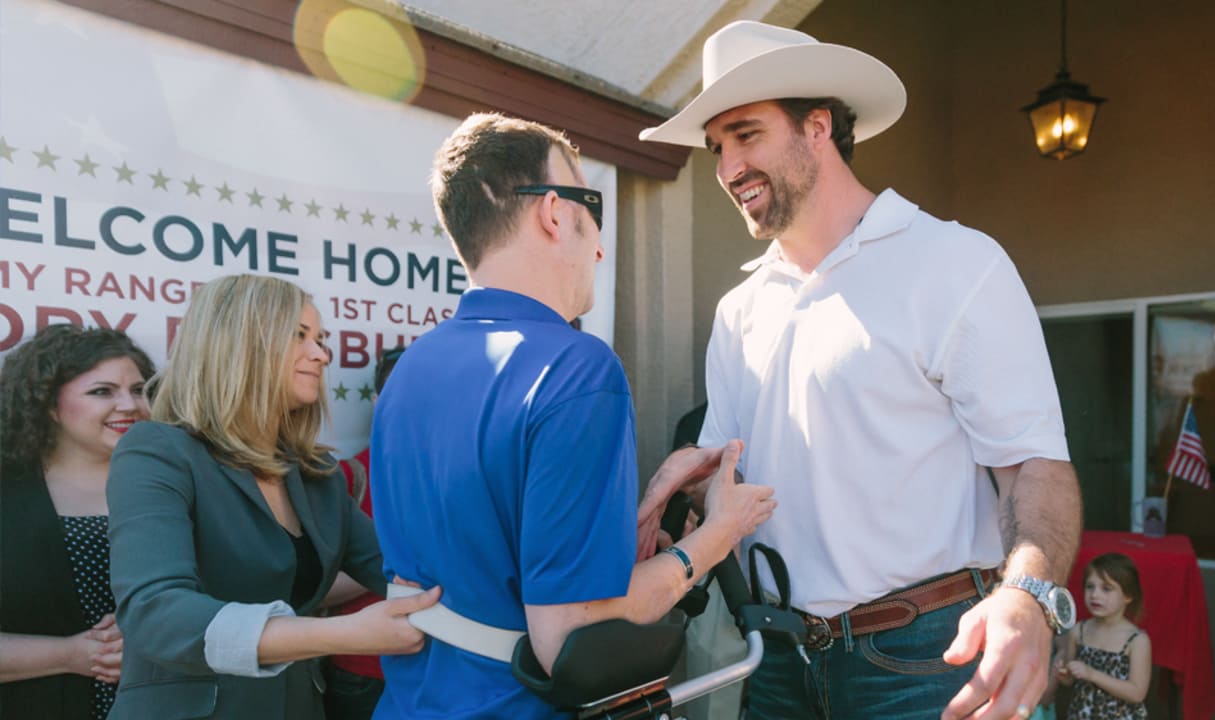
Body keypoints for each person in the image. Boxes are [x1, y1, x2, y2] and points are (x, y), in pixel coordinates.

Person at [638, 21, 1083, 720]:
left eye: (746, 134)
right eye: (717, 146)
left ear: (818, 126)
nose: (727, 168)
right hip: (778, 658)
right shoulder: (738, 310)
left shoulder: (955, 264)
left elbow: (1034, 469)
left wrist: (1027, 597)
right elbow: (735, 472)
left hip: (928, 657)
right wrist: (683, 480)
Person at [371, 112, 776, 719]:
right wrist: (717, 536)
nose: (601, 244)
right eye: (594, 210)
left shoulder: (412, 366)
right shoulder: (577, 368)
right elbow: (569, 637)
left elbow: (480, 551)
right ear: (554, 212)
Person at [104, 274, 440, 720]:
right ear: (238, 343)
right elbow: (157, 613)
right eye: (300, 336)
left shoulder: (316, 474)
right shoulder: (157, 451)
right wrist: (342, 634)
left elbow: (401, 569)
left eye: (321, 339)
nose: (321, 355)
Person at [0, 325, 154, 719]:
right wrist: (71, 655)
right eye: (102, 391)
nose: (130, 405)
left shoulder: (171, 486)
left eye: (139, 390)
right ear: (49, 403)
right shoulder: (8, 494)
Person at [325, 346, 407, 720]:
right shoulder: (345, 478)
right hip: (361, 672)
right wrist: (397, 558)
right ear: (377, 401)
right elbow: (314, 588)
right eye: (398, 390)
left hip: (441, 667)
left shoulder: (463, 479)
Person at [1058, 553, 1151, 719]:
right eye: (1090, 587)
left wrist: (1092, 674)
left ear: (1128, 596)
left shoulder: (1137, 640)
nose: (1095, 594)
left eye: (1106, 589)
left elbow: (1137, 693)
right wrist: (1064, 675)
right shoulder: (1079, 631)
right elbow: (1070, 680)